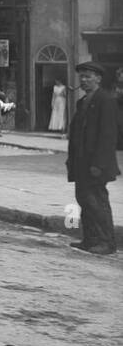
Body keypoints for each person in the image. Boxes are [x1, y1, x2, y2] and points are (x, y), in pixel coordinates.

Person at [66, 62, 118, 255]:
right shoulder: (83, 101)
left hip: (96, 164)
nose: (84, 80)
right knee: (84, 200)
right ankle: (90, 239)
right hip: (81, 162)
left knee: (97, 202)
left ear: (98, 78)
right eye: (82, 77)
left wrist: (99, 164)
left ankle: (107, 242)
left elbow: (108, 135)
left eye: (88, 77)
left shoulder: (106, 100)